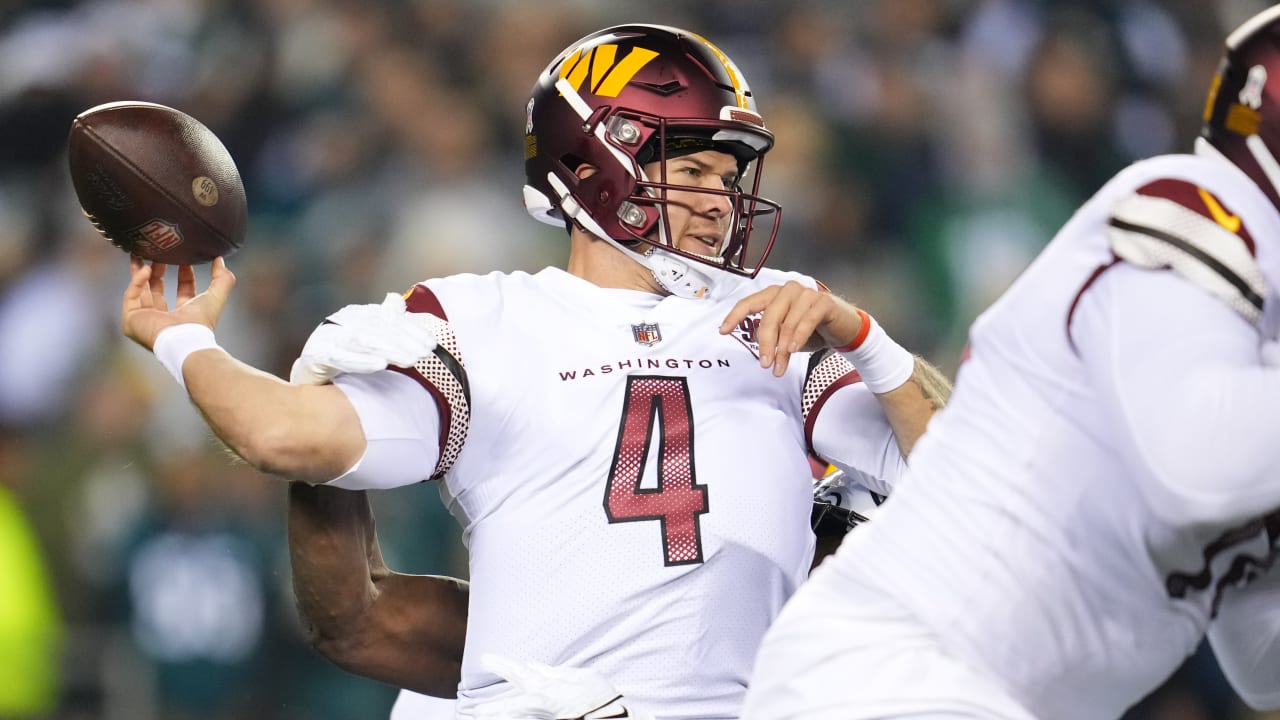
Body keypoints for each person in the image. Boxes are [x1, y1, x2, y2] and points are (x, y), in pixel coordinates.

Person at [118, 24, 950, 718]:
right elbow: (282, 438)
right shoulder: (485, 320)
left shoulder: (774, 318)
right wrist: (183, 340)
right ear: (596, 164)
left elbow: (964, 473)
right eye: (692, 170)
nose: (720, 202)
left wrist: (869, 342)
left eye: (729, 180)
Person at [741, 7, 1280, 719]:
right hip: (896, 672)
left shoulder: (1248, 368)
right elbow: (1197, 471)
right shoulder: (1193, 205)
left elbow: (1262, 665)